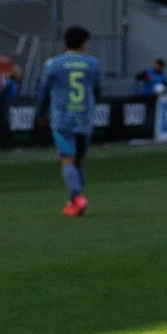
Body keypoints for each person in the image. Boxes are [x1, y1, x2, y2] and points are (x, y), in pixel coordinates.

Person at [30, 26, 102, 218]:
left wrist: (40, 113)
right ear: (83, 43)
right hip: (85, 118)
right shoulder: (93, 64)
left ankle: (77, 198)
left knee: (67, 160)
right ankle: (74, 202)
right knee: (79, 162)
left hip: (63, 120)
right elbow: (99, 89)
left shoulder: (54, 64)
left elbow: (43, 91)